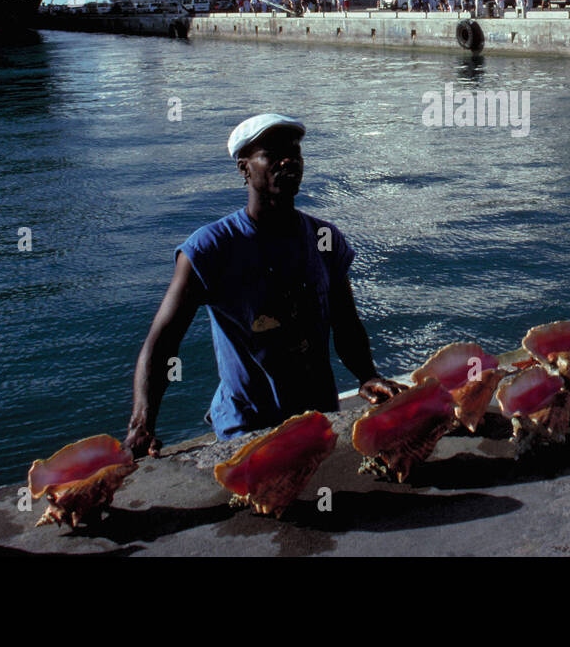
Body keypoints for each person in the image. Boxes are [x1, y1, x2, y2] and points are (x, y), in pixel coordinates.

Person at [126, 115, 405, 455]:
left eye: (295, 153)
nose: (288, 161)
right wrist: (141, 426)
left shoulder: (324, 238)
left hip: (318, 421)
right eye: (271, 154)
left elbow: (345, 322)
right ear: (244, 168)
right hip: (246, 431)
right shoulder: (211, 247)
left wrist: (368, 375)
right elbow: (163, 342)